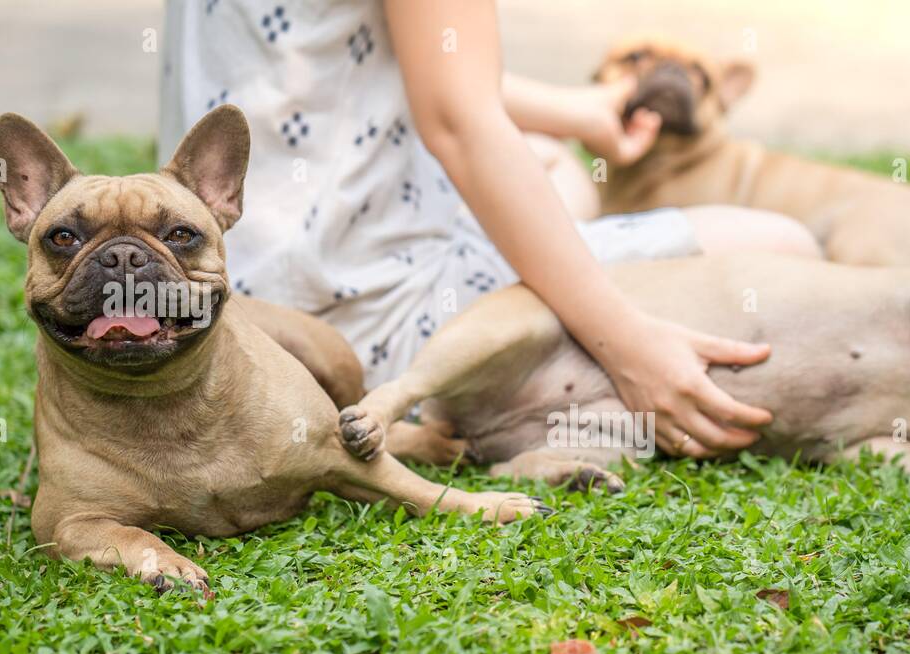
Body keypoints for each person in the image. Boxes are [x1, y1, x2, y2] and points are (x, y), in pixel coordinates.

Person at [159, 0, 818, 458]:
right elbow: (459, 125)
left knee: (557, 163)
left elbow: (416, 63)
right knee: (786, 247)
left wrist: (578, 114)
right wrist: (627, 343)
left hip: (235, 284)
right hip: (362, 326)